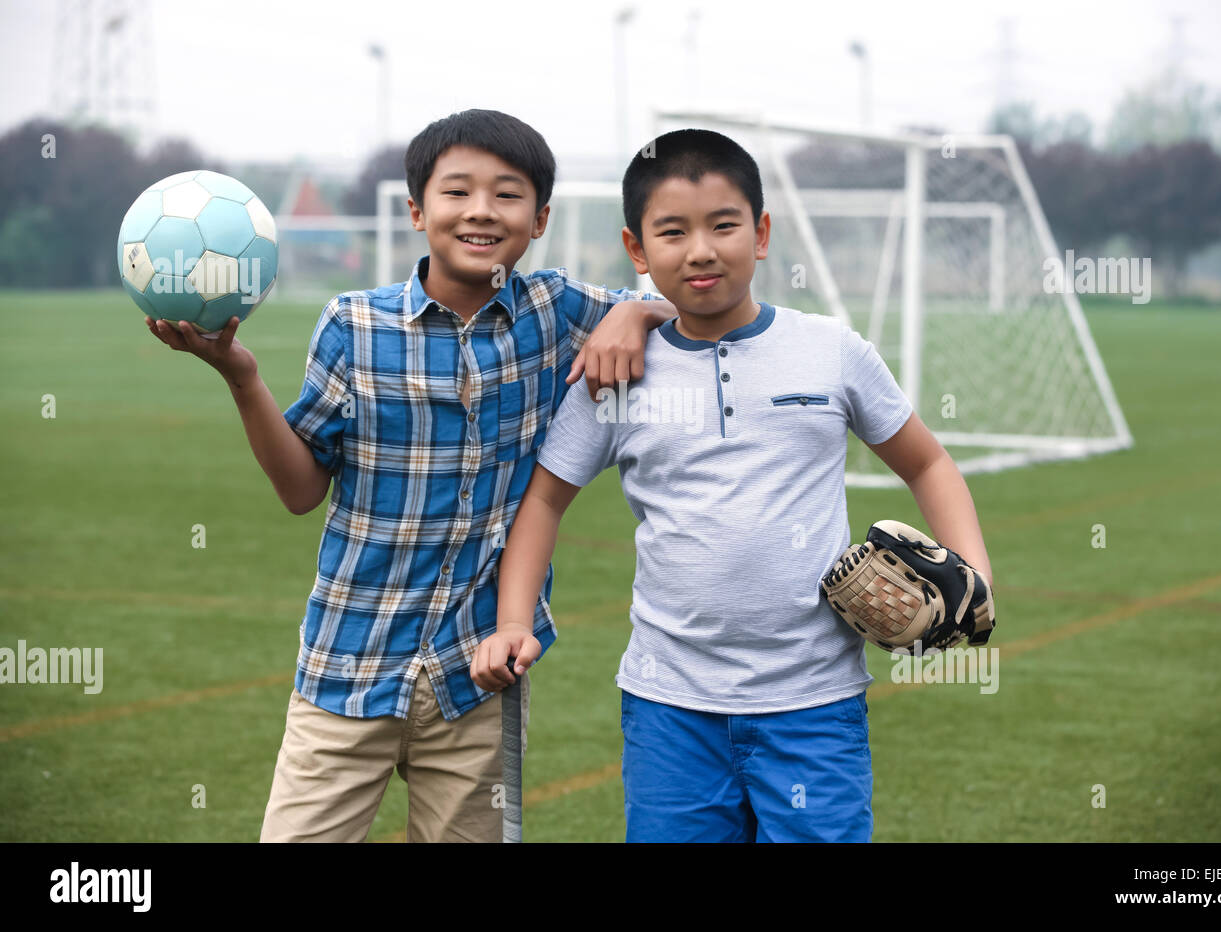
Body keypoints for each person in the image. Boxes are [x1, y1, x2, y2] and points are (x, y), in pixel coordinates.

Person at [145, 108, 676, 842]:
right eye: (457, 191)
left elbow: (691, 298)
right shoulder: (353, 325)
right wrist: (242, 379)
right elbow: (303, 491)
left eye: (508, 193)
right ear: (417, 211)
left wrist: (638, 311)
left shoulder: (558, 312)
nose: (482, 210)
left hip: (478, 680)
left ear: (541, 217)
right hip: (348, 667)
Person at [471, 128, 993, 842]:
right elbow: (544, 499)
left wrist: (975, 574)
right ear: (637, 249)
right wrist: (511, 622)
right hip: (669, 707)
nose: (701, 250)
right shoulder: (616, 372)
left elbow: (927, 463)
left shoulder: (830, 351)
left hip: (814, 703)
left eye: (724, 225)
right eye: (673, 231)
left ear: (762, 231)